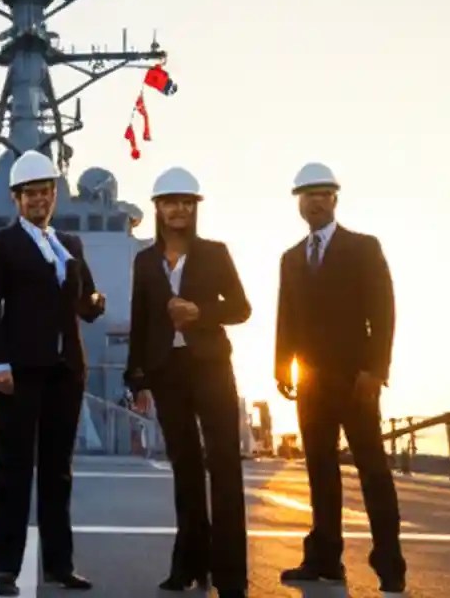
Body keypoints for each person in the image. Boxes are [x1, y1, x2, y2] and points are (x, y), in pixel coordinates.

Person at [274, 162, 406, 595]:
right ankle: (325, 559)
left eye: (323, 193)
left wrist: (376, 371)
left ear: (334, 199)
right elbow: (286, 316)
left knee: (373, 471)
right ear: (299, 202)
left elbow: (383, 312)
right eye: (307, 194)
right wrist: (282, 365)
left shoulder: (363, 248)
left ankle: (390, 564)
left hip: (356, 380)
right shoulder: (291, 258)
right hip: (311, 382)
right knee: (319, 471)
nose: (315, 200)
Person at [0, 150, 106, 596]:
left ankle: (60, 564)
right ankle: (4, 567)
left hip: (65, 371)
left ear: (55, 194)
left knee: (58, 472)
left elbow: (86, 303)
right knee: (12, 469)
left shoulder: (69, 245)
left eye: (45, 192)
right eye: (30, 193)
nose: (39, 200)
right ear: (16, 199)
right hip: (19, 371)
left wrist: (96, 303)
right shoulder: (1, 244)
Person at [123, 167, 252, 598]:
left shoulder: (216, 253)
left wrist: (201, 312)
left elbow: (241, 308)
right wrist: (135, 377)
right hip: (166, 372)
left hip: (211, 367)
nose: (178, 209)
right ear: (157, 208)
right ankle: (189, 565)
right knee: (186, 469)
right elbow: (140, 320)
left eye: (186, 202)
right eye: (170, 202)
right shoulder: (144, 261)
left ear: (195, 208)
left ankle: (232, 576)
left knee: (225, 468)